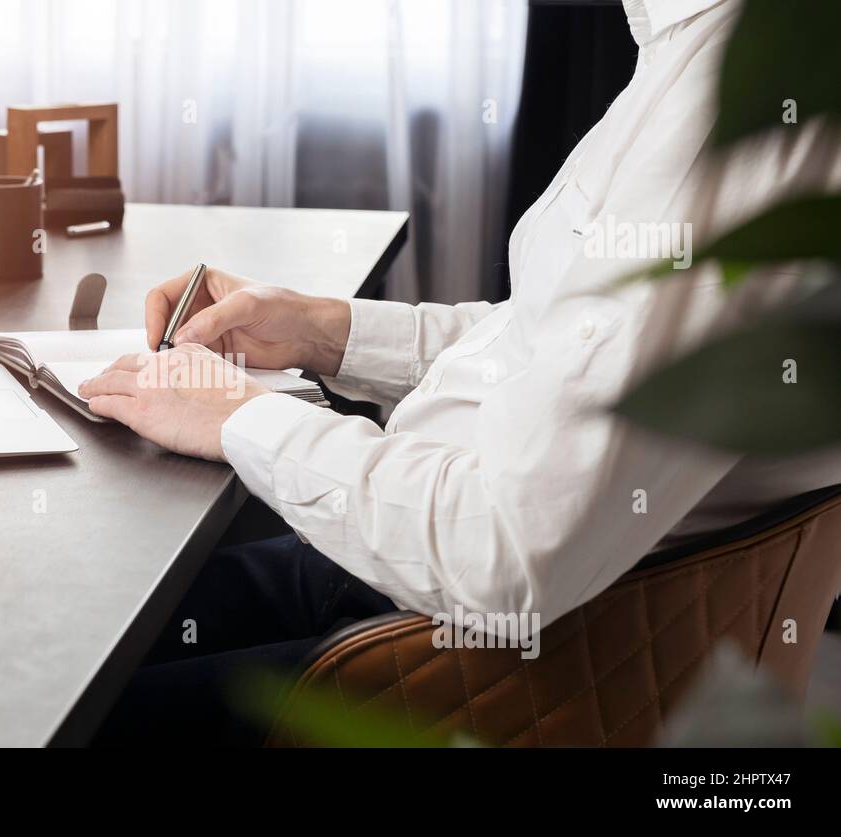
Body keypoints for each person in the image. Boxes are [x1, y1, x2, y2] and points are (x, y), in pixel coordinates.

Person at [80, 0, 841, 745]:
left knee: (63, 699)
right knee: (91, 623)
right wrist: (323, 331)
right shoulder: (696, 57)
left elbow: (509, 551)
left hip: (471, 662)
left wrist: (235, 417)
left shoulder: (731, 118)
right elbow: (555, 342)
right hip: (412, 583)